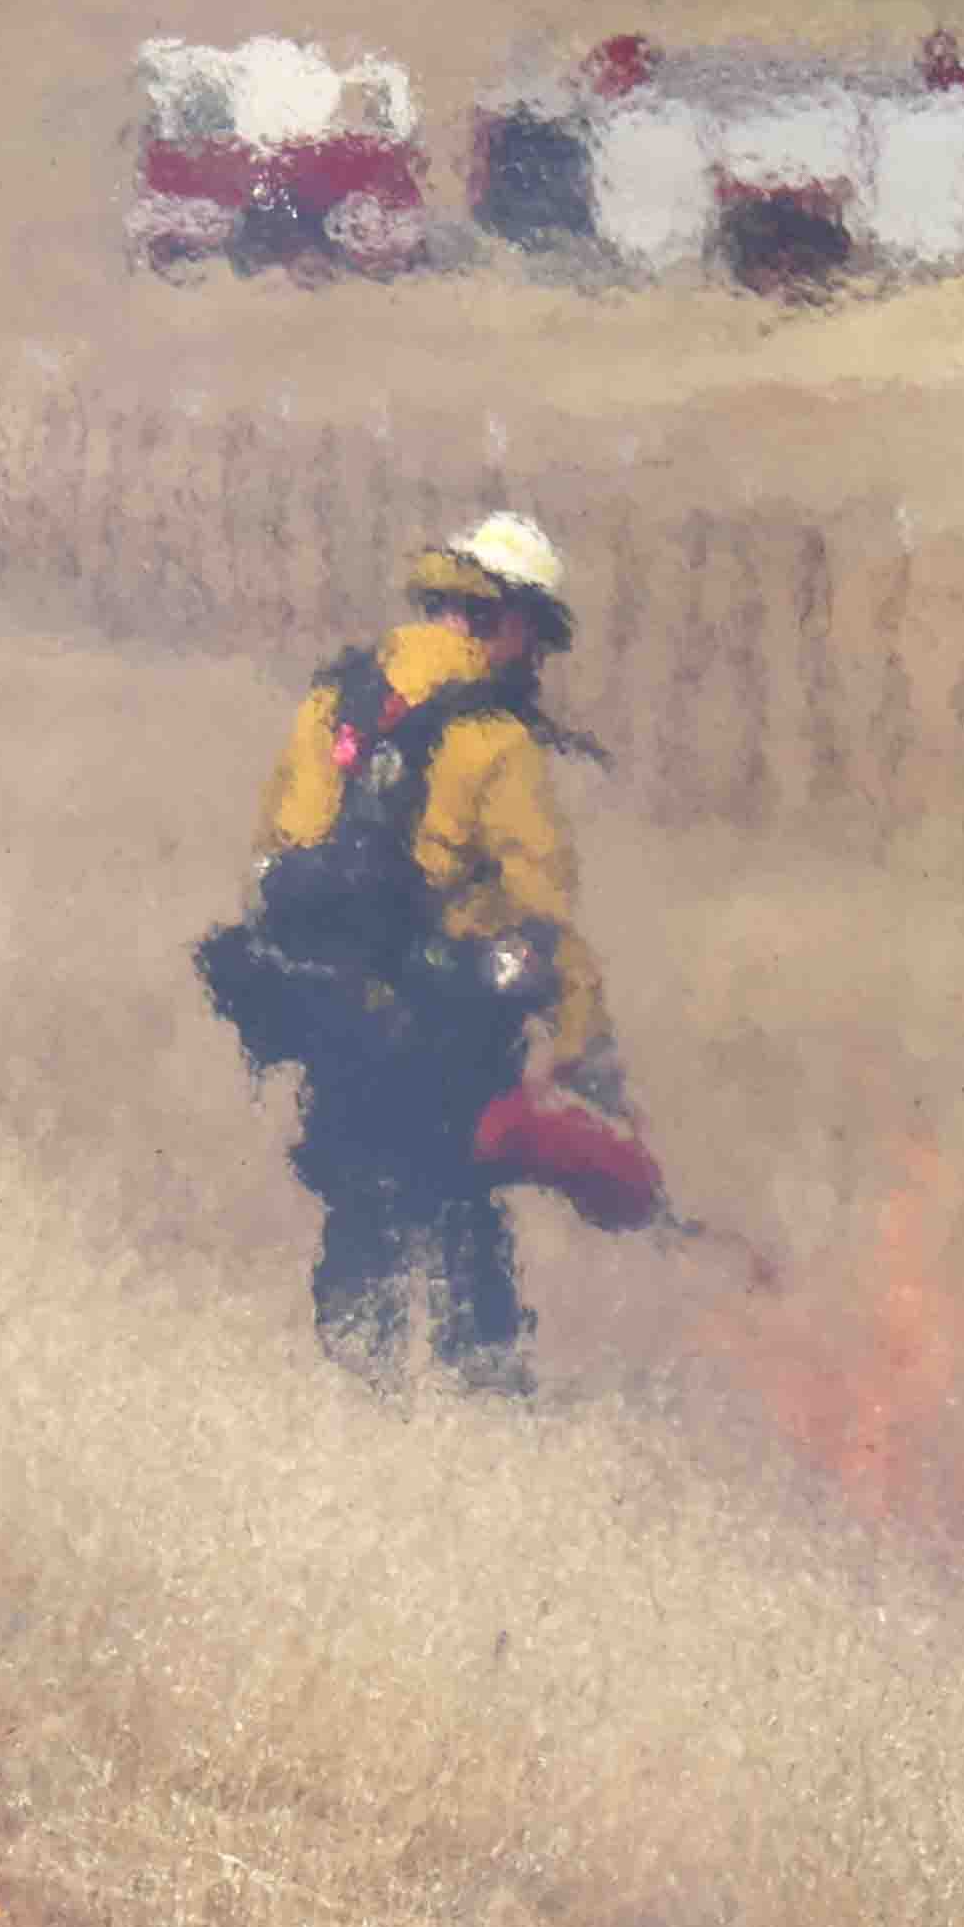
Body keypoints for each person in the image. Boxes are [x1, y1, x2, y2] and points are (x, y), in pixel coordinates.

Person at [225, 512, 618, 1384]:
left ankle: (353, 1404)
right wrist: (588, 1048)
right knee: (463, 1234)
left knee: (358, 1223)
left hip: (328, 1014)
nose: (535, 661)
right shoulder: (495, 738)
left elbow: (273, 844)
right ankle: (489, 1423)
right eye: (534, 637)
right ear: (503, 618)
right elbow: (544, 911)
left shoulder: (333, 701)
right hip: (439, 1034)